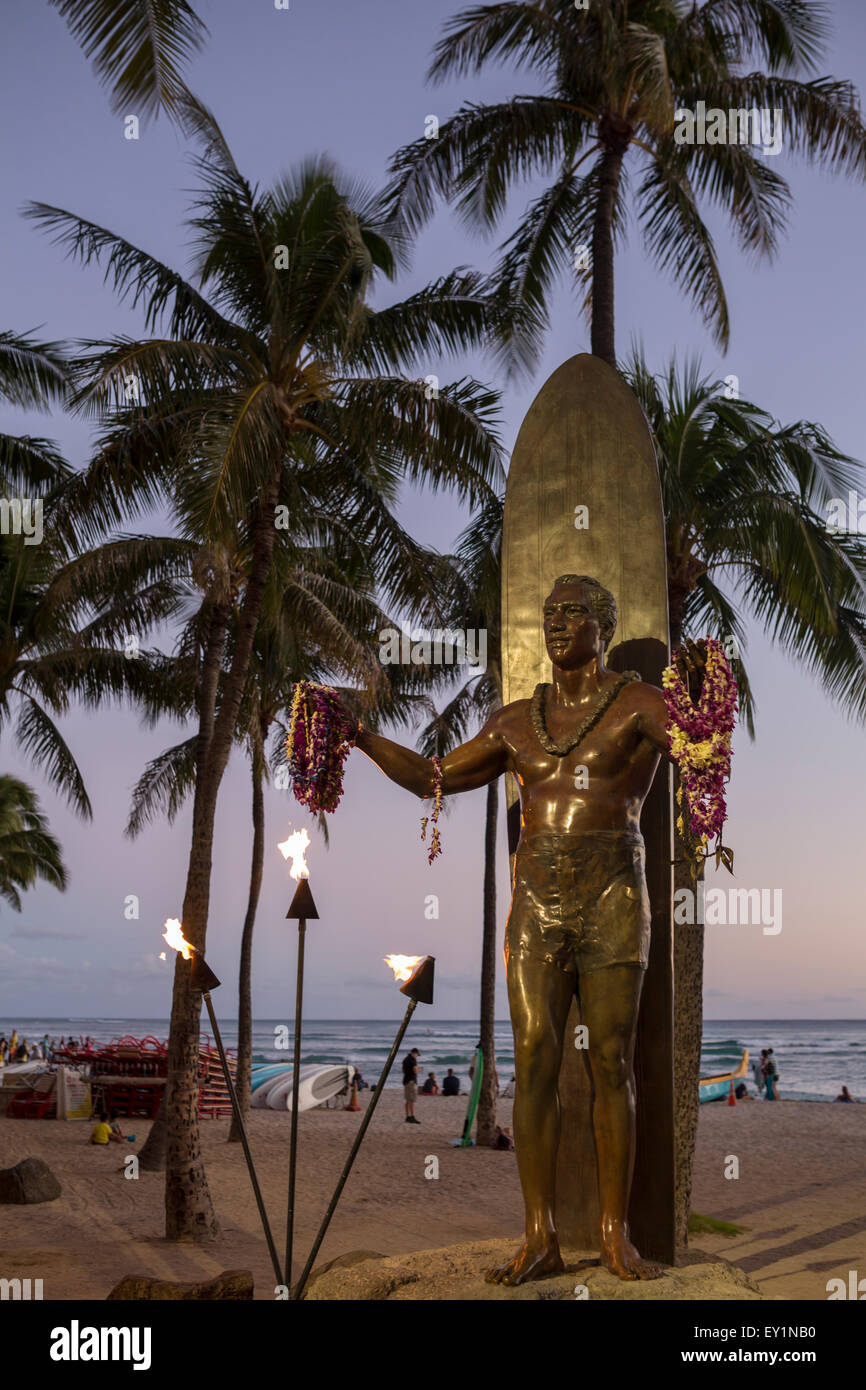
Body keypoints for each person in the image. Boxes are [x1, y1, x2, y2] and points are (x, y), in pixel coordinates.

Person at [352, 576, 710, 1282]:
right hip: (537, 900)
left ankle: (614, 1232)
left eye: (573, 612)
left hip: (613, 892)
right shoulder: (515, 722)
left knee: (611, 1063)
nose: (558, 623)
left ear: (603, 626)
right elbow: (435, 776)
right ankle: (540, 1235)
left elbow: (699, 750)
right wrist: (356, 734)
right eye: (549, 613)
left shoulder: (639, 704)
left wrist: (705, 698)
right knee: (537, 1060)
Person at [402, 1047, 420, 1124]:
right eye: (417, 1055)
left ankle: (407, 1116)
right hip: (412, 1081)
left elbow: (402, 1070)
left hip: (406, 1080)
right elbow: (415, 1070)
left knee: (407, 1100)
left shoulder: (405, 1059)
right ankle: (412, 1116)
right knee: (412, 1100)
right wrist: (419, 1070)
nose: (417, 1056)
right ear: (414, 1053)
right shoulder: (413, 1060)